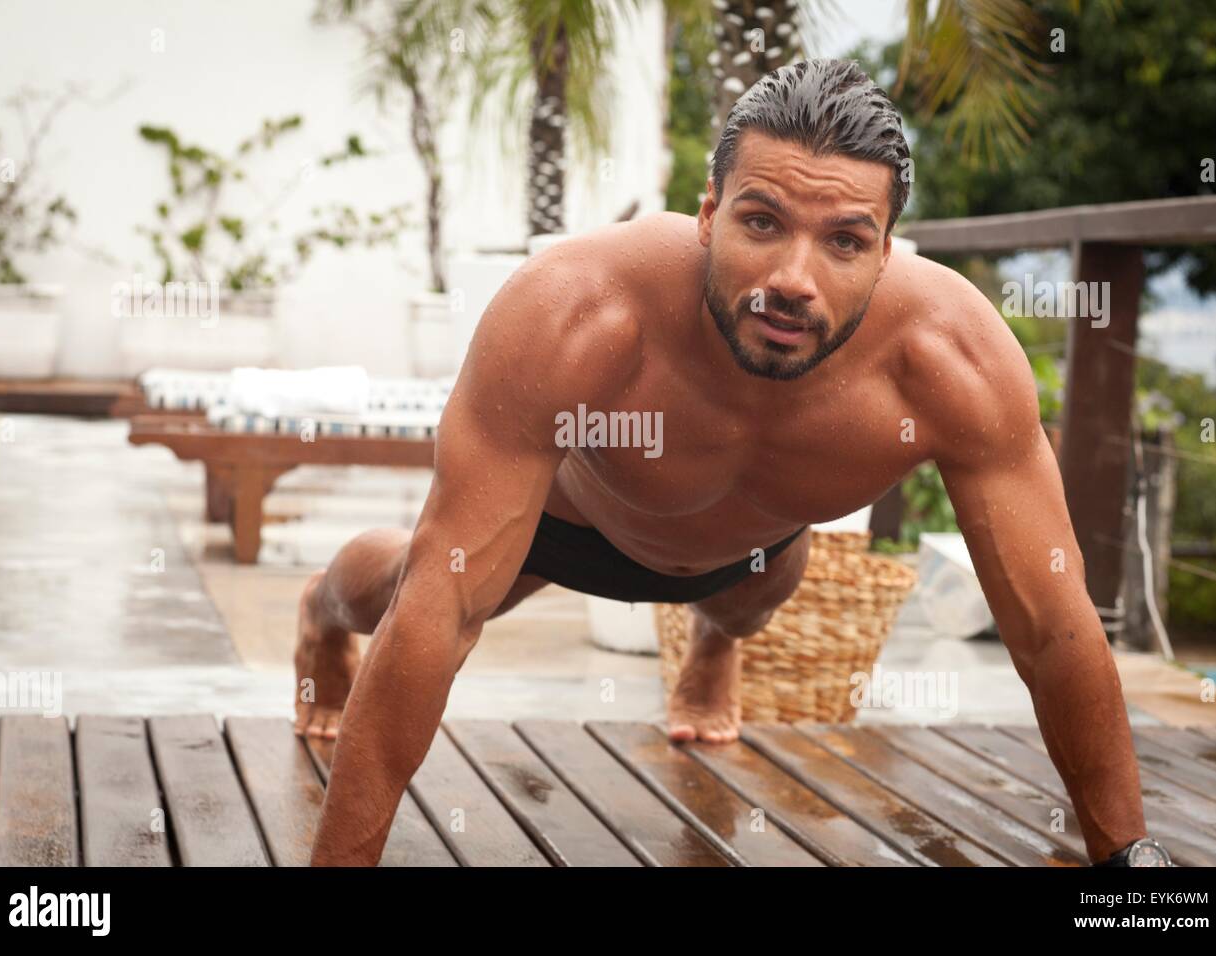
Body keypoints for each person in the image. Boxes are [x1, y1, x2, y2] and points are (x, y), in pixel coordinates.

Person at [300, 58, 1152, 866]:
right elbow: (441, 604)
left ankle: (713, 644)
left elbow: (1053, 627)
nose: (793, 278)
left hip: (751, 554)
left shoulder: (953, 360)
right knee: (400, 588)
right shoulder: (579, 308)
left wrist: (1133, 870)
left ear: (887, 252)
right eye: (761, 222)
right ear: (708, 212)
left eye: (845, 242)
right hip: (564, 525)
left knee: (746, 595)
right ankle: (317, 615)